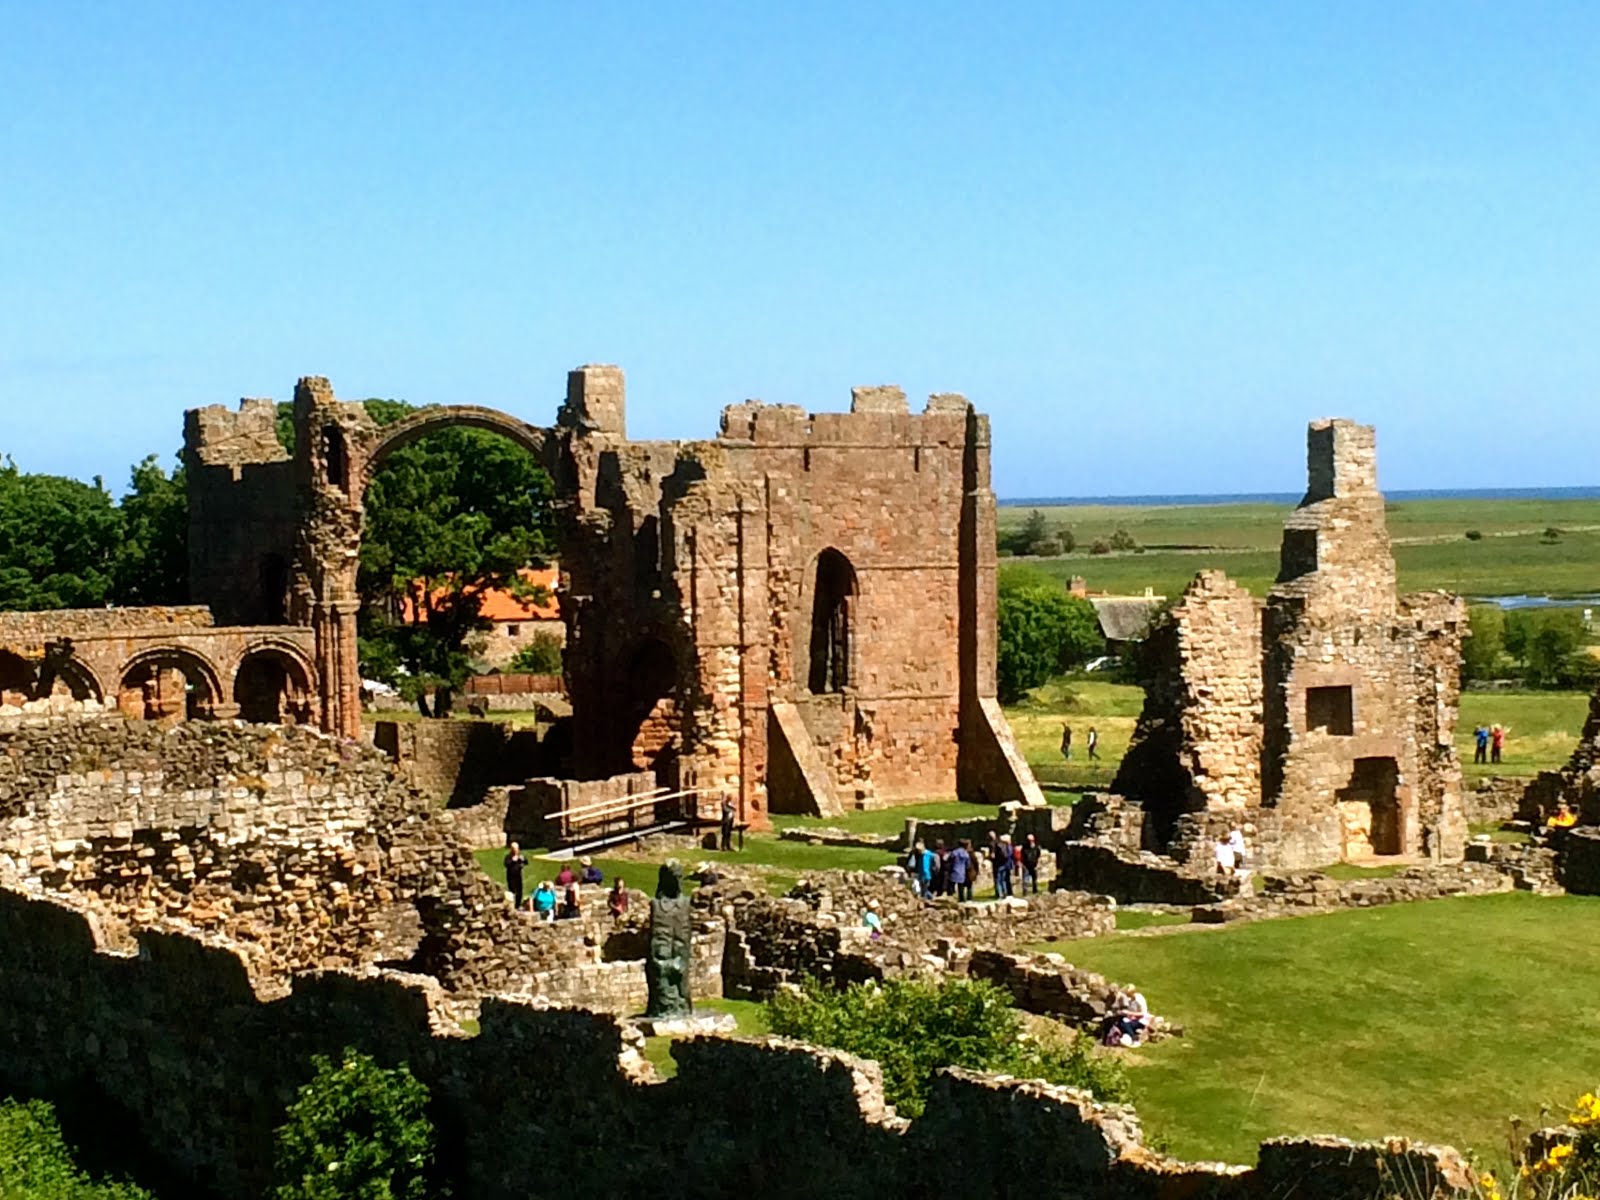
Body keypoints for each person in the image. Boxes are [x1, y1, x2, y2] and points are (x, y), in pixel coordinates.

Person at [503, 841, 528, 907]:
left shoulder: (520, 856)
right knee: (512, 891)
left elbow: (526, 862)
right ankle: (512, 904)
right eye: (514, 849)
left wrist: (523, 860)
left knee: (519, 891)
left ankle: (518, 904)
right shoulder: (508, 857)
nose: (516, 850)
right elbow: (506, 864)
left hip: (518, 876)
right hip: (511, 876)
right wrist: (513, 860)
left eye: (517, 849)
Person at [993, 835, 1013, 899]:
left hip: (999, 865)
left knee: (999, 880)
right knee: (1003, 880)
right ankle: (1005, 893)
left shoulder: (998, 846)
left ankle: (1000, 894)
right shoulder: (1007, 846)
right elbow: (1009, 854)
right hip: (1005, 864)